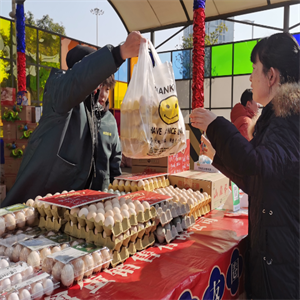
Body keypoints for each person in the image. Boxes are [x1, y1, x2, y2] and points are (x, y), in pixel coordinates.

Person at [190, 32, 300, 300]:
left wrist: (215, 124)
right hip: (274, 253)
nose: (250, 78)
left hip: (282, 262)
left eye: (254, 69)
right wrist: (218, 158)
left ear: (271, 76)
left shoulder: (287, 120)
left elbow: (254, 161)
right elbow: (257, 180)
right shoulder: (277, 118)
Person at [1, 31, 146, 207]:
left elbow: (112, 165)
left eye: (105, 87)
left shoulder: (104, 117)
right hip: (42, 206)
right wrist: (118, 53)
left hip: (85, 208)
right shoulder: (60, 94)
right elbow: (77, 81)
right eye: (97, 84)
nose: (101, 92)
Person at [90, 75, 122, 191]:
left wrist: (117, 188)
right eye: (100, 87)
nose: (103, 94)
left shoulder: (110, 121)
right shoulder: (81, 115)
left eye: (107, 89)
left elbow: (116, 158)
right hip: (80, 192)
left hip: (104, 191)